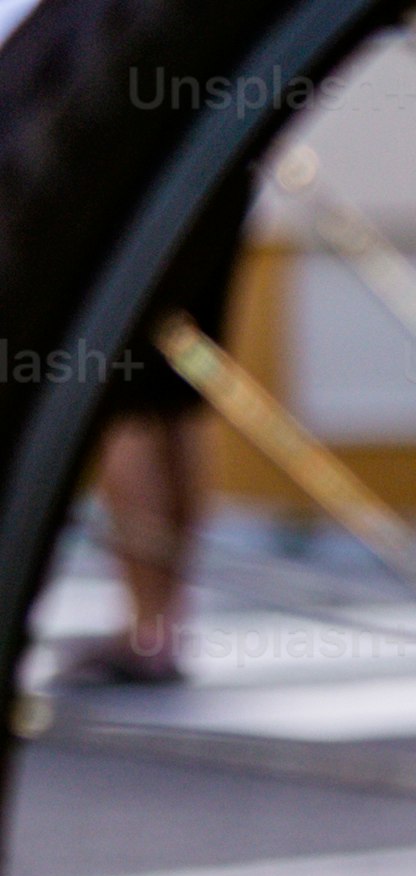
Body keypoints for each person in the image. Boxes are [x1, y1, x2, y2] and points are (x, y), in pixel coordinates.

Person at [59, 186, 254, 688]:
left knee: (127, 407)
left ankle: (147, 630)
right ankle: (164, 625)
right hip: (208, 178)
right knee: (175, 406)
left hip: (141, 195)